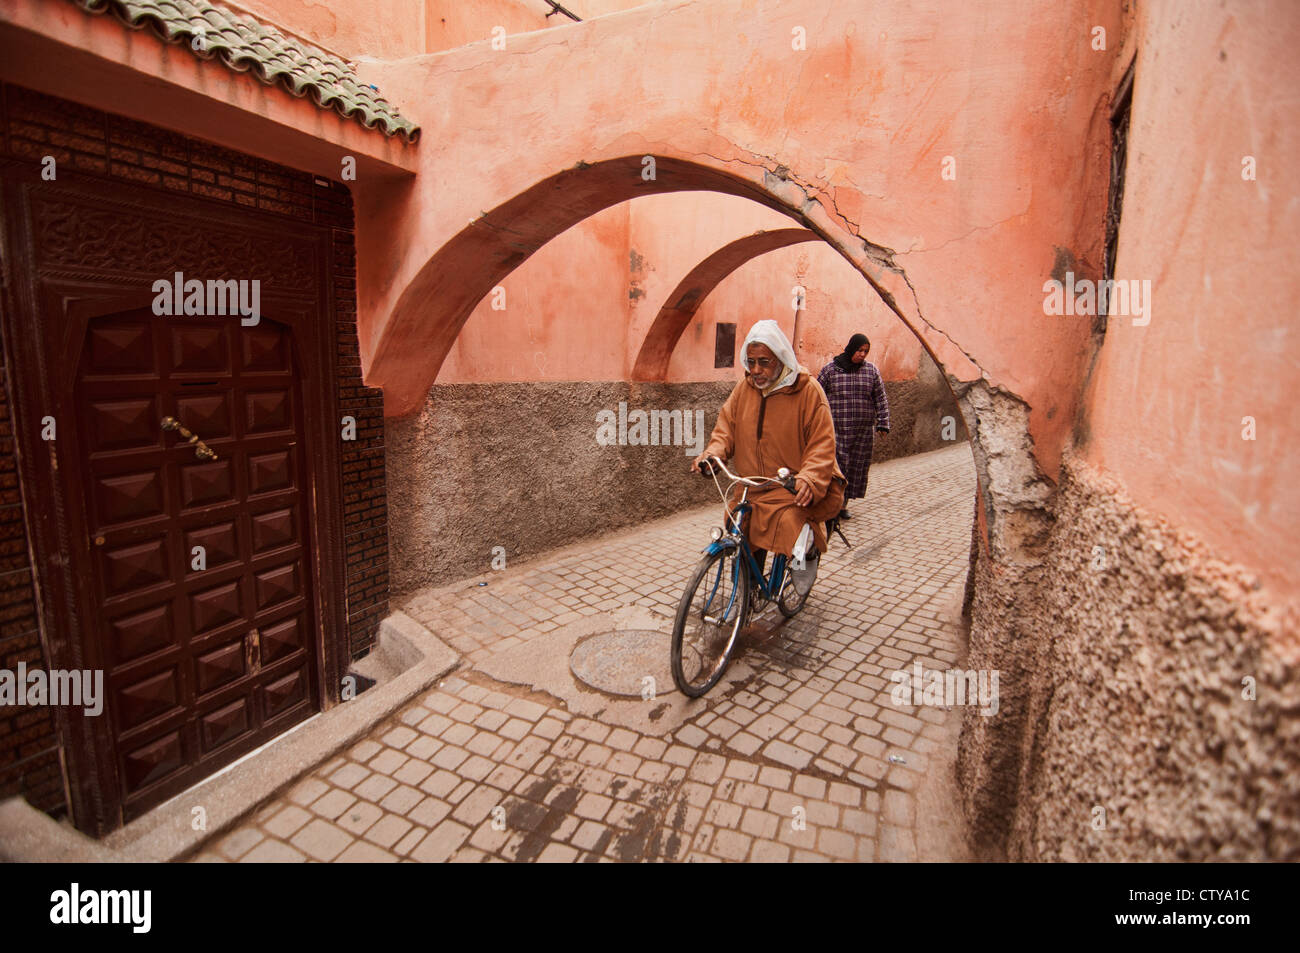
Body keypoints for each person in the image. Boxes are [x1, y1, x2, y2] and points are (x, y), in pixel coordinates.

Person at [692, 320, 845, 578]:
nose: (755, 370)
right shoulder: (744, 389)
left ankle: (803, 558)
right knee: (740, 526)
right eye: (751, 362)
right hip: (751, 486)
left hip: (790, 487)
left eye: (764, 362)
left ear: (781, 358)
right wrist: (713, 454)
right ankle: (745, 594)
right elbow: (725, 428)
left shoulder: (808, 391)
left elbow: (822, 443)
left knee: (790, 524)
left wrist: (809, 477)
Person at [817, 333, 890, 520]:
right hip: (836, 430)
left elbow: (880, 398)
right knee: (836, 468)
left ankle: (842, 505)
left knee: (854, 469)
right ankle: (829, 505)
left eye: (866, 351)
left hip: (862, 432)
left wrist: (883, 423)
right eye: (859, 350)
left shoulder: (871, 371)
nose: (862, 354)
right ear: (851, 348)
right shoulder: (831, 371)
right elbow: (816, 397)